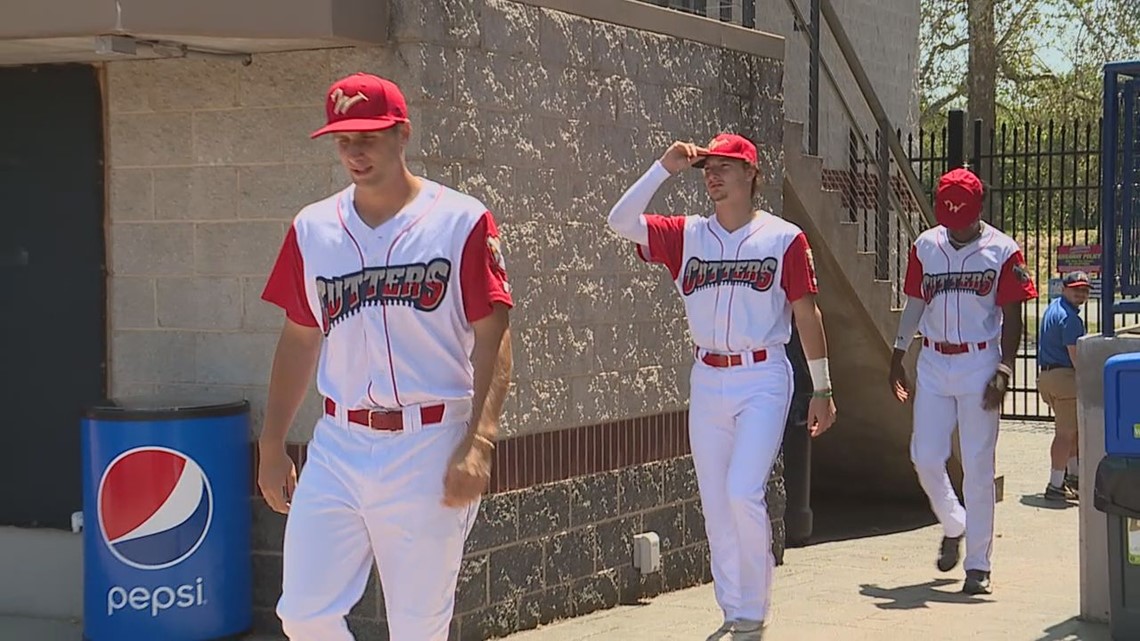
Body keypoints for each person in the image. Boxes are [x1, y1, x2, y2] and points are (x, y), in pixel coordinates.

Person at [257, 72, 514, 641]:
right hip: (339, 442)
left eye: (368, 137)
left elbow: (494, 335)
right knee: (302, 614)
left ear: (402, 133)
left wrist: (479, 441)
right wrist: (272, 444)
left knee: (417, 629)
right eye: (343, 139)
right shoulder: (312, 228)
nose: (355, 151)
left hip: (429, 440)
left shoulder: (460, 220)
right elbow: (299, 338)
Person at [607, 133, 837, 640]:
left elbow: (807, 313)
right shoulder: (688, 234)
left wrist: (822, 389)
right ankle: (733, 608)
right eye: (708, 168)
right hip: (708, 376)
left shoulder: (783, 238)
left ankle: (753, 609)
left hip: (763, 374)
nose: (712, 175)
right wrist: (663, 168)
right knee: (716, 501)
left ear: (751, 173)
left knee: (742, 490)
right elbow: (619, 221)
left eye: (725, 167)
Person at [888, 167, 1038, 596]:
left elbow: (1013, 315)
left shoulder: (1003, 250)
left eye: (963, 216)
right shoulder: (926, 246)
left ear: (979, 207)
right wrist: (897, 355)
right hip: (934, 362)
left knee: (977, 465)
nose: (955, 225)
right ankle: (955, 522)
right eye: (948, 215)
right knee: (925, 456)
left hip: (979, 361)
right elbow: (915, 302)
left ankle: (978, 565)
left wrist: (1004, 369)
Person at [1036, 270, 1090, 500]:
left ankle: (1073, 477)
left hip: (1047, 377)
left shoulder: (1053, 308)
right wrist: (1090, 379)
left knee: (1072, 430)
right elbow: (1076, 357)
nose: (1081, 294)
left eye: (1085, 290)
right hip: (1065, 378)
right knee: (1065, 434)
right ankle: (1055, 485)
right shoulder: (1071, 319)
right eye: (1076, 289)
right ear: (1064, 288)